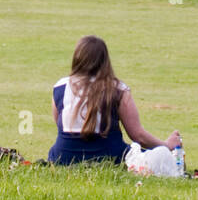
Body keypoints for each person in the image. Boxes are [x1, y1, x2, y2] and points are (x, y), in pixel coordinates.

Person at [48, 34, 181, 166]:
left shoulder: (60, 87)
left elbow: (60, 125)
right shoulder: (118, 89)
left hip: (62, 158)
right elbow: (138, 135)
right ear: (105, 61)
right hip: (111, 157)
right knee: (159, 158)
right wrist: (166, 145)